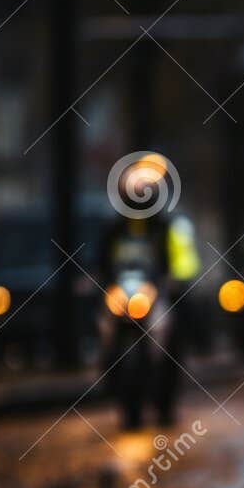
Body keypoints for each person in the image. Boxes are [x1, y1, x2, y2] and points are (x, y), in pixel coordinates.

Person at [99, 154, 201, 426]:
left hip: (154, 296)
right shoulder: (114, 230)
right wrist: (94, 281)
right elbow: (100, 262)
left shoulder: (166, 229)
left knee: (171, 334)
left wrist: (174, 282)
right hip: (121, 297)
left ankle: (166, 399)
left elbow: (178, 263)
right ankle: (110, 374)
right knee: (104, 330)